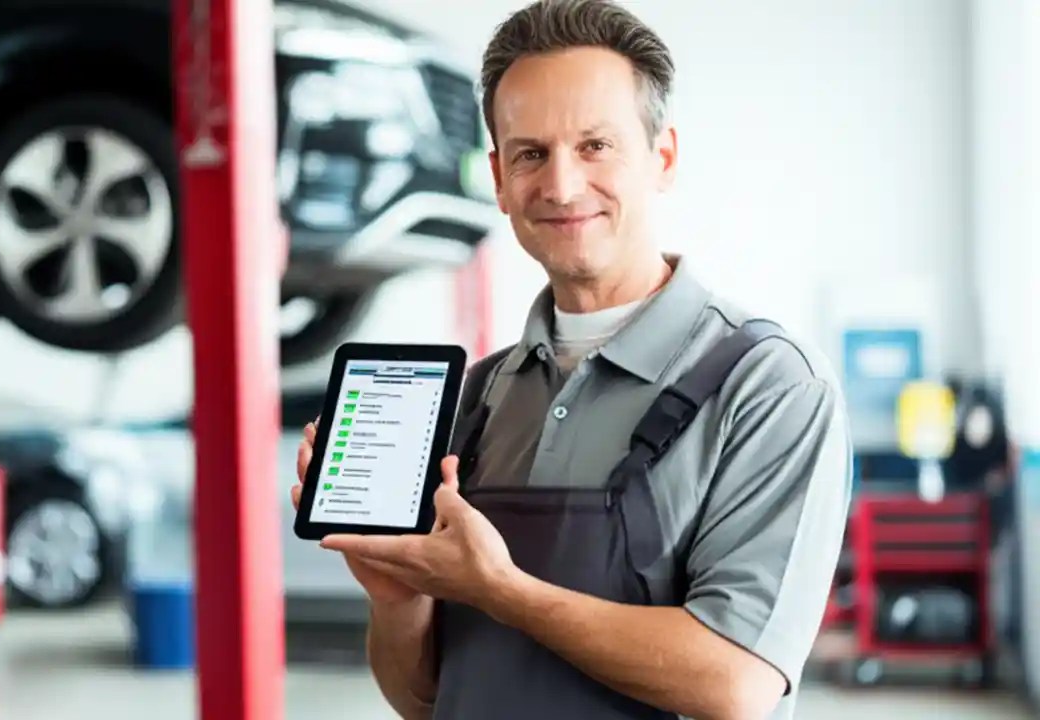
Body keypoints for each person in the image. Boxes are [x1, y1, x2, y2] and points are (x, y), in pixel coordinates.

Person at [290, 1, 852, 718]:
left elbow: (734, 683)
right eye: (530, 153)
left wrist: (500, 588)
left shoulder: (768, 386)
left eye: (595, 146)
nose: (559, 185)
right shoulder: (475, 397)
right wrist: (399, 598)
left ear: (663, 158)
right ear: (497, 178)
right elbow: (423, 700)